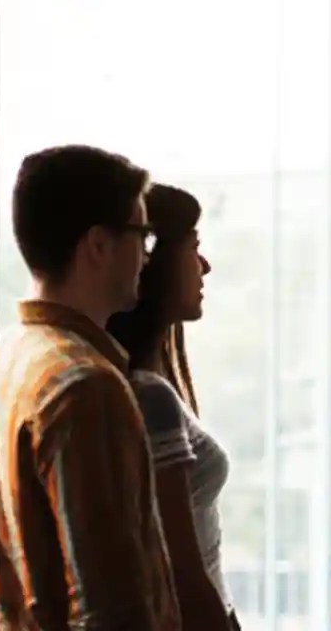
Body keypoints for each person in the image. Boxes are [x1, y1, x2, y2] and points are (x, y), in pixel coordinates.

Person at [0, 145, 181, 629]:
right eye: (141, 234)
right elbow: (108, 604)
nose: (146, 256)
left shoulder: (0, 358)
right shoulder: (85, 386)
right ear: (98, 245)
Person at [107, 184, 237, 630]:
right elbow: (180, 567)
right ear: (155, 263)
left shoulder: (150, 382)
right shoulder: (145, 394)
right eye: (193, 248)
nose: (204, 266)